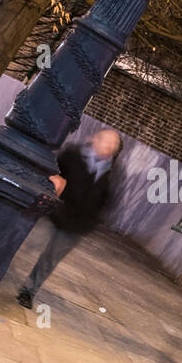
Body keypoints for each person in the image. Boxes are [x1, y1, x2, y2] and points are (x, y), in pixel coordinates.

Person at [15, 128, 123, 309]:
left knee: (49, 260)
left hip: (76, 224)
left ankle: (28, 291)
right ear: (95, 139)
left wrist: (92, 219)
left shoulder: (113, 171)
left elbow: (107, 199)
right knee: (22, 243)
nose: (110, 147)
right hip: (51, 212)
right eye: (107, 141)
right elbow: (50, 173)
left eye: (114, 145)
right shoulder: (72, 155)